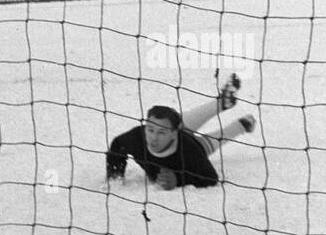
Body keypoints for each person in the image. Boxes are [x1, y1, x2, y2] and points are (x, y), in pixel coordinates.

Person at [106, 74, 256, 190]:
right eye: (150, 130)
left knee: (203, 143)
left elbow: (210, 178)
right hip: (176, 129)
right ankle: (222, 103)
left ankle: (242, 125)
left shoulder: (188, 150)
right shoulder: (137, 137)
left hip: (189, 144)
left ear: (174, 134)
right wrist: (115, 176)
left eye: (161, 133)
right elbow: (118, 145)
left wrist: (178, 179)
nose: (153, 137)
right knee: (172, 121)